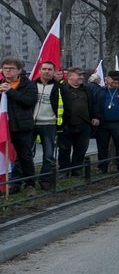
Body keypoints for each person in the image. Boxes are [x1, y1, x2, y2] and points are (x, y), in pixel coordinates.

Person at [0, 57, 37, 190]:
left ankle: (30, 184)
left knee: (24, 157)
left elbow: (28, 102)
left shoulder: (28, 85)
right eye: (5, 68)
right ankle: (12, 183)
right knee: (5, 155)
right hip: (4, 127)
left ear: (19, 70)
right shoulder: (0, 84)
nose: (8, 71)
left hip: (22, 127)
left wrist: (10, 91)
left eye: (11, 68)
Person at [90, 70, 119, 173]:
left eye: (118, 80)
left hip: (118, 123)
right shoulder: (101, 91)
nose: (116, 82)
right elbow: (95, 105)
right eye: (114, 79)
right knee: (102, 147)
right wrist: (96, 117)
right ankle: (102, 167)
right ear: (107, 79)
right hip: (103, 123)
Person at [57, 67, 97, 177]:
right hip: (66, 125)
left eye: (82, 75)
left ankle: (77, 169)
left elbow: (93, 104)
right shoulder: (61, 88)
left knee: (81, 149)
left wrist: (95, 117)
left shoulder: (86, 89)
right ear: (69, 76)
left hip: (84, 125)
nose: (81, 77)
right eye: (78, 75)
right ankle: (64, 170)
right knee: (64, 149)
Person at [31, 61, 61, 189]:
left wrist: (61, 124)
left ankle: (45, 180)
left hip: (49, 123)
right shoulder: (31, 85)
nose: (47, 71)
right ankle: (26, 181)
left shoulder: (59, 87)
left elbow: (66, 106)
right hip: (30, 124)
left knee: (48, 155)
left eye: (49, 69)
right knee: (27, 154)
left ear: (53, 72)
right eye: (44, 69)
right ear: (40, 70)